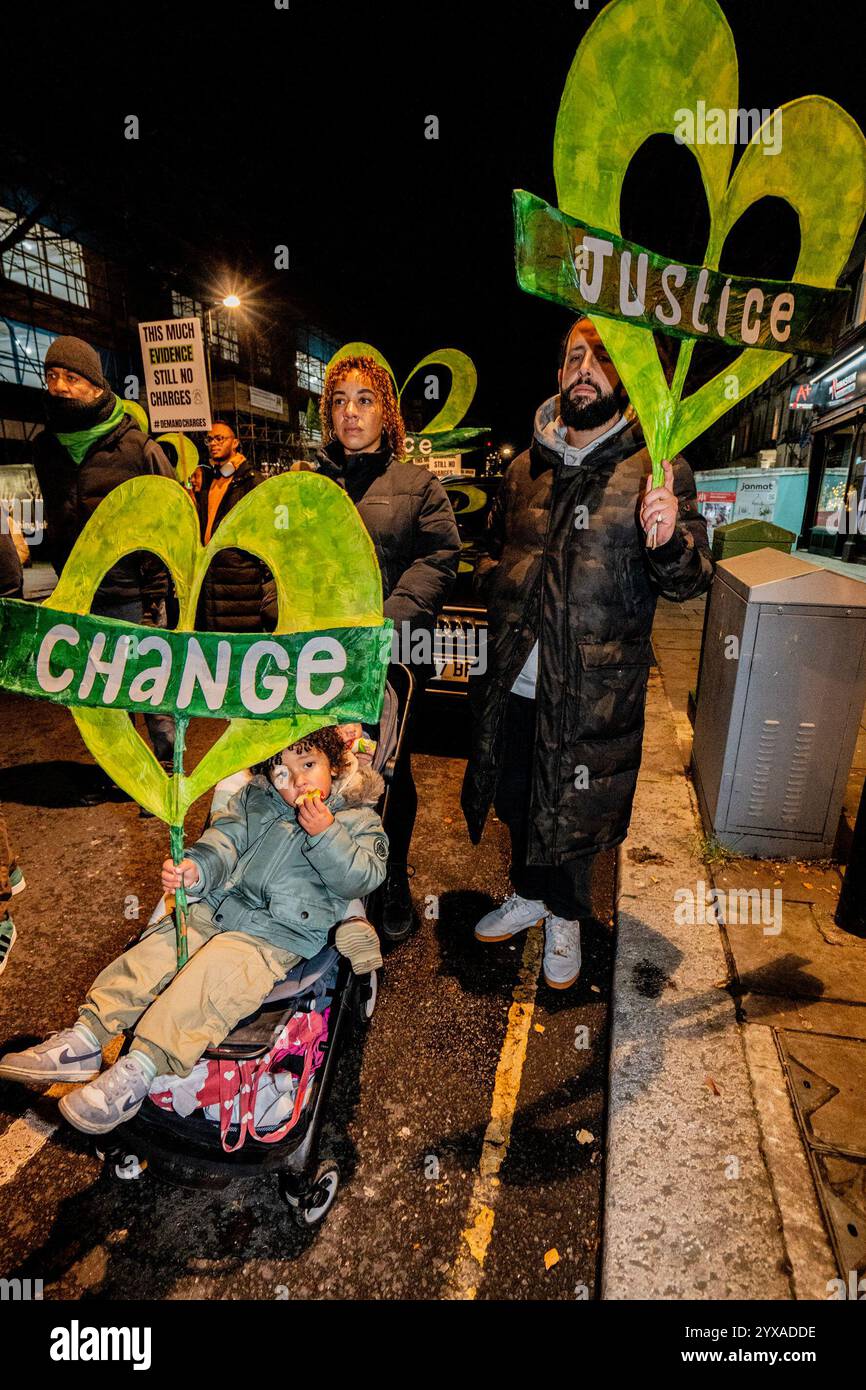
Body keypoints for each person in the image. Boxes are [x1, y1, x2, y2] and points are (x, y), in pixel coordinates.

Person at [461, 318, 714, 988]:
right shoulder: (524, 470)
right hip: (517, 680)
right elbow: (495, 551)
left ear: (625, 376)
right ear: (558, 374)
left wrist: (667, 541)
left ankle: (566, 915)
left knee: (573, 812)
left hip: (593, 692)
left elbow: (690, 583)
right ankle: (529, 893)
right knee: (518, 797)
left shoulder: (656, 469)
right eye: (574, 355)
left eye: (602, 357)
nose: (584, 368)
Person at [0, 726, 388, 1134]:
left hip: (275, 934)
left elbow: (363, 877)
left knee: (207, 981)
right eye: (282, 773)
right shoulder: (256, 800)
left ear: (335, 765)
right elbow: (223, 841)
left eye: (308, 765)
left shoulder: (355, 817)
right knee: (156, 951)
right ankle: (86, 1037)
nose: (297, 782)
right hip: (218, 908)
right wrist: (197, 870)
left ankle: (140, 1067)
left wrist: (326, 834)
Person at [274, 355, 460, 940]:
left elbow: (438, 559)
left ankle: (391, 878)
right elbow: (284, 561)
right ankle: (324, 870)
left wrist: (382, 627)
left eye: (365, 399)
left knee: (384, 771)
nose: (351, 412)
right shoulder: (310, 485)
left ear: (387, 411)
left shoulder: (417, 487)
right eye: (339, 400)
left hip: (390, 658)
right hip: (317, 659)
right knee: (315, 767)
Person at [33, 336, 176, 799]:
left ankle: (167, 775)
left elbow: (173, 518)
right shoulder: (46, 448)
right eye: (52, 376)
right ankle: (120, 774)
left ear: (96, 386)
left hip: (135, 593)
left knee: (149, 687)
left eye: (72, 378)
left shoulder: (136, 448)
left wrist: (157, 586)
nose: (60, 387)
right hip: (80, 593)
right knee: (100, 695)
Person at [195, 422, 270, 632]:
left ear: (235, 443)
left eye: (220, 438)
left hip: (241, 583)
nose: (213, 444)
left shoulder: (252, 482)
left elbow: (265, 532)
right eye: (209, 439)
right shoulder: (209, 480)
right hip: (211, 580)